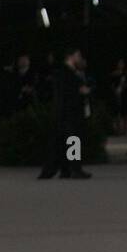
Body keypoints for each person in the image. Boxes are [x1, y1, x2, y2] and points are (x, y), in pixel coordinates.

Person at [38, 46, 93, 179]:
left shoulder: (68, 72)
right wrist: (81, 92)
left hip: (65, 113)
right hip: (69, 112)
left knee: (64, 141)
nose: (80, 58)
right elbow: (65, 93)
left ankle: (65, 169)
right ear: (71, 56)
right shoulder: (65, 73)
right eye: (78, 55)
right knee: (73, 140)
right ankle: (74, 169)